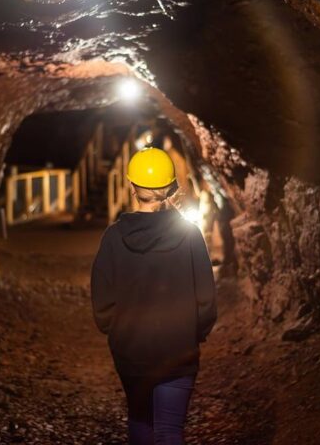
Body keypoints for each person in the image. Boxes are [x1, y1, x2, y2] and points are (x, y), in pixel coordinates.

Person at [91, 147, 218, 445]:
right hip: (178, 350)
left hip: (131, 351)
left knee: (140, 422)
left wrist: (118, 331)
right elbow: (206, 301)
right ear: (172, 187)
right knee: (170, 430)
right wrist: (192, 333)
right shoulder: (190, 235)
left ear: (132, 186)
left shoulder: (113, 237)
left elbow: (102, 303)